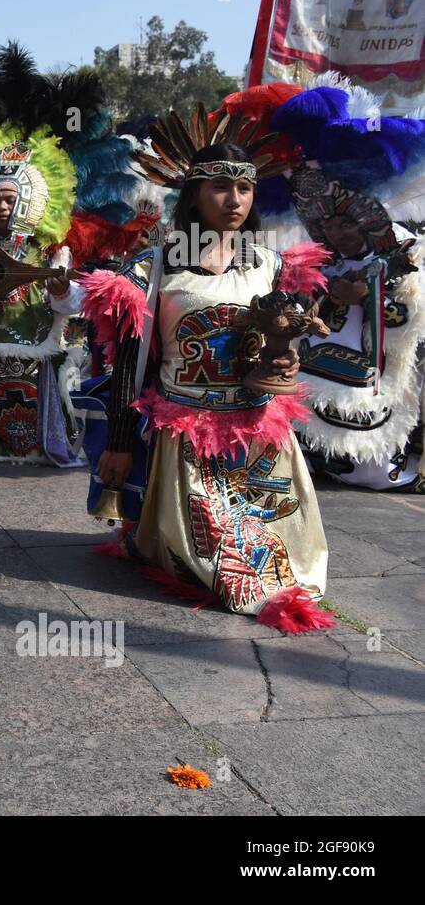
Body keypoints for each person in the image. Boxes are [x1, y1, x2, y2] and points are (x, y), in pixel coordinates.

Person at [81, 118, 334, 633]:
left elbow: (282, 344)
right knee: (219, 562)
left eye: (245, 187)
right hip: (188, 439)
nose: (234, 199)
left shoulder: (271, 266)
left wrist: (286, 361)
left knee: (290, 556)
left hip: (261, 437)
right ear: (195, 193)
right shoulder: (154, 268)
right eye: (221, 186)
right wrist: (121, 442)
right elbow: (129, 363)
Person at [0, 123, 85, 465]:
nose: (3, 207)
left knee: (37, 430)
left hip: (36, 355)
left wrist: (63, 290)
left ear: (26, 202)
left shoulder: (50, 249)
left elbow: (73, 303)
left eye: (10, 199)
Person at [288, 168, 425, 491]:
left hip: (375, 373)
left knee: (370, 453)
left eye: (346, 223)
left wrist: (368, 299)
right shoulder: (320, 259)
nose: (338, 233)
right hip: (317, 366)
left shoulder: (405, 254)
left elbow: (411, 318)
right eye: (330, 226)